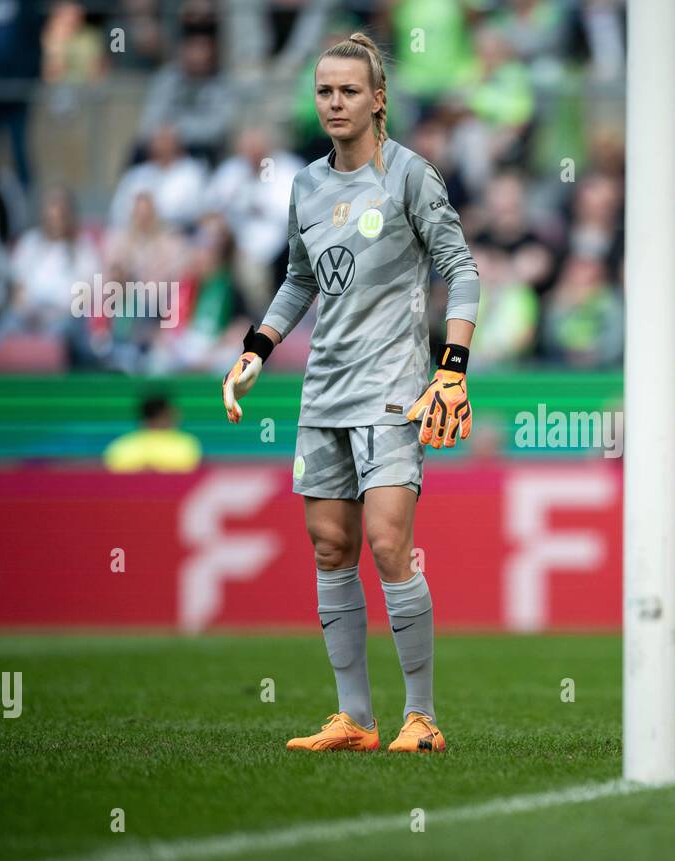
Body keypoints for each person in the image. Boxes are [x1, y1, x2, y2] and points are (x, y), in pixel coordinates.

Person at [221, 33, 479, 755]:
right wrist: (256, 348)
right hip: (323, 391)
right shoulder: (305, 185)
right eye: (324, 91)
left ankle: (422, 718)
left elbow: (462, 270)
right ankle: (356, 720)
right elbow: (301, 277)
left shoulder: (409, 177)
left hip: (395, 388)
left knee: (390, 544)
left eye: (348, 91)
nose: (335, 102)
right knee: (330, 546)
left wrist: (451, 366)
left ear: (378, 99)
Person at [102, 394, 202, 473]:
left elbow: (188, 466)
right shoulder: (123, 445)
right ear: (163, 415)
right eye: (170, 414)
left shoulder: (187, 442)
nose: (177, 417)